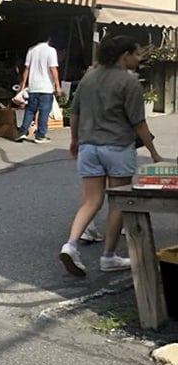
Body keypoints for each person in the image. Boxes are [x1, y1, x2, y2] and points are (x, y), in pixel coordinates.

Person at [59, 35, 163, 277]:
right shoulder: (129, 83)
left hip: (88, 147)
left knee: (91, 200)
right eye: (135, 54)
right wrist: (154, 153)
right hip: (117, 147)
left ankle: (71, 245)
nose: (138, 59)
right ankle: (108, 257)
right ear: (123, 56)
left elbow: (75, 113)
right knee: (117, 202)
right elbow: (139, 123)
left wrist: (74, 140)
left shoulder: (89, 77)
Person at [15, 33, 61, 143]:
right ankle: (40, 135)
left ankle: (22, 132)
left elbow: (26, 69)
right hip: (46, 87)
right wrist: (57, 86)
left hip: (33, 86)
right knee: (44, 111)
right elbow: (53, 69)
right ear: (49, 38)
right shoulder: (51, 51)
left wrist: (23, 85)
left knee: (30, 110)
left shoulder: (31, 50)